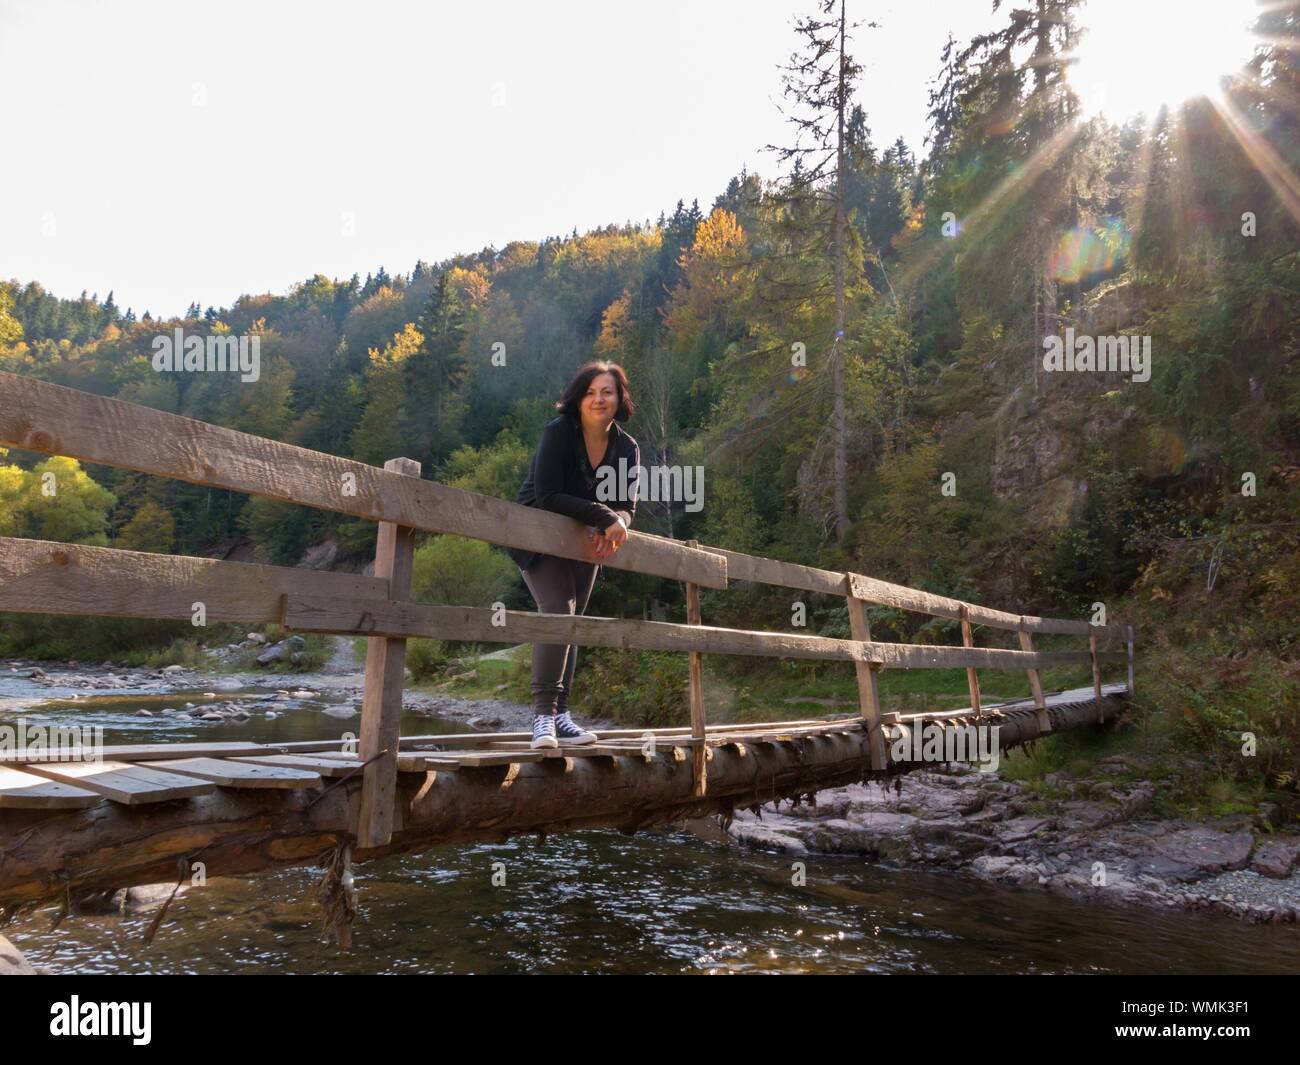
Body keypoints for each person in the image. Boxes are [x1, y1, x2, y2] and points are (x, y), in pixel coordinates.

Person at [506, 361, 641, 749]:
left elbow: (626, 505)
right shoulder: (559, 433)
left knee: (574, 622)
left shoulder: (627, 448)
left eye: (608, 392)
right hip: (538, 533)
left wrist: (621, 522)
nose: (599, 399)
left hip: (585, 540)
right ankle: (543, 717)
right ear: (578, 398)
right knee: (558, 612)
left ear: (619, 398)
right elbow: (547, 494)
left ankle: (562, 716)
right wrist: (606, 516)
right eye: (590, 392)